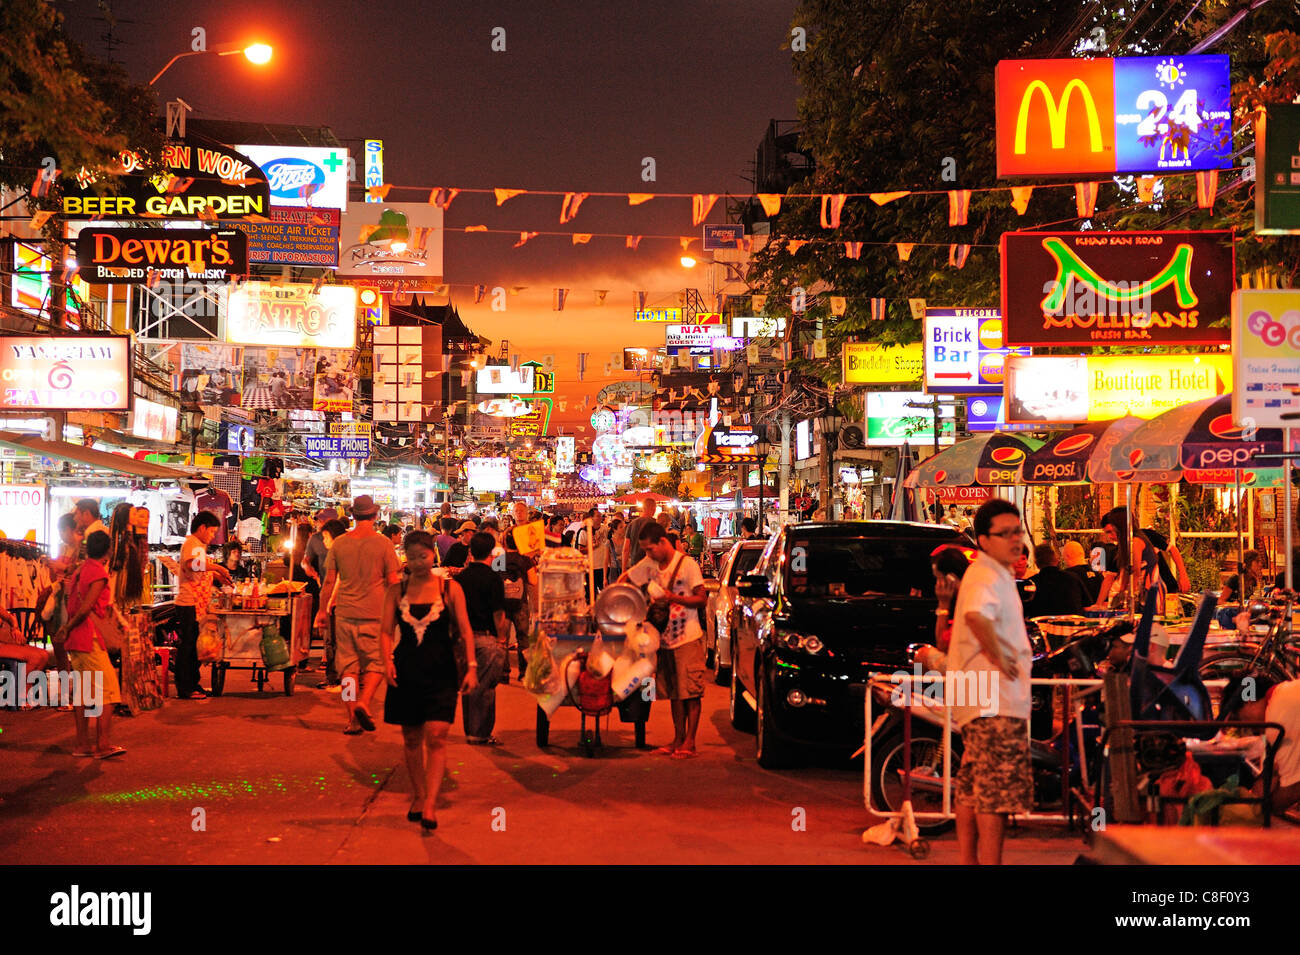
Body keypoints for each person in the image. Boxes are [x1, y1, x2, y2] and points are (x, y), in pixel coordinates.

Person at [946, 498, 1034, 866]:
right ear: (983, 539)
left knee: (971, 788)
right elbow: (976, 617)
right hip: (993, 700)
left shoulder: (995, 572)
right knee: (994, 796)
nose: (1015, 540)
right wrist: (1000, 656)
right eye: (1005, 534)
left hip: (979, 697)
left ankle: (969, 860)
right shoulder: (986, 575)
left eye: (1018, 532)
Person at [380, 531, 478, 830]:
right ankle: (419, 795)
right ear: (405, 558)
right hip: (407, 669)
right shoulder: (396, 591)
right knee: (411, 737)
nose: (418, 562)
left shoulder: (451, 589)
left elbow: (465, 630)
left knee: (437, 736)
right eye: (411, 557)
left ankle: (431, 804)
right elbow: (385, 631)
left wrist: (472, 667)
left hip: (442, 670)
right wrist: (386, 661)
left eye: (423, 556)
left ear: (433, 554)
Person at [620, 522, 708, 758]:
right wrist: (615, 594)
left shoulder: (687, 564)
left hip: (688, 638)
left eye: (650, 549)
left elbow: (702, 598)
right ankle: (677, 738)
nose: (648, 554)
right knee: (673, 693)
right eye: (645, 551)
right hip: (664, 640)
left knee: (690, 692)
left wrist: (672, 598)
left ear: (662, 542)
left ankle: (690, 741)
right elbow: (628, 577)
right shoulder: (650, 564)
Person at [315, 496, 402, 734]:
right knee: (377, 664)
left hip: (344, 614)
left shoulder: (340, 543)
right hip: (375, 613)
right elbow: (394, 582)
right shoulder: (383, 544)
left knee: (348, 670)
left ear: (353, 515)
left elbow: (329, 581)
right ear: (375, 516)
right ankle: (364, 702)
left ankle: (352, 718)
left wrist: (322, 611)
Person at [58, 530, 123, 758]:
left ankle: (82, 744)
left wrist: (67, 627)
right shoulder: (97, 572)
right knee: (109, 691)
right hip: (88, 636)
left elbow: (73, 602)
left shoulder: (79, 571)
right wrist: (69, 626)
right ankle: (103, 744)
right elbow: (87, 607)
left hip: (75, 639)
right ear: (108, 550)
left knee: (84, 694)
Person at [1219, 673, 1300, 814]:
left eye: (1238, 718)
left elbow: (1292, 790)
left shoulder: (1277, 717)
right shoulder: (1282, 696)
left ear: (1248, 701)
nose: (1246, 727)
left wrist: (1255, 815)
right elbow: (1274, 770)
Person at [108, 503, 162, 714]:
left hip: (126, 601)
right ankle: (118, 696)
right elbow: (115, 572)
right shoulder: (120, 544)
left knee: (126, 653)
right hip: (117, 602)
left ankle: (125, 695)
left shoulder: (134, 542)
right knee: (118, 651)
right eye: (135, 515)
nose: (141, 519)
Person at [455, 532, 509, 744]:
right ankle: (480, 734)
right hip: (486, 639)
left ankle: (471, 730)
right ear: (491, 553)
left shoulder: (460, 578)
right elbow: (498, 614)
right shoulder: (493, 579)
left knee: (469, 686)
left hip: (462, 639)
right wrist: (502, 638)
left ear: (471, 552)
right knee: (485, 688)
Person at [172, 512, 232, 700]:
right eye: (212, 531)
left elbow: (200, 570)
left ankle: (193, 684)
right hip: (188, 602)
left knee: (193, 646)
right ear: (202, 527)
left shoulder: (199, 546)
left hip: (196, 603)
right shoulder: (192, 544)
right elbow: (192, 566)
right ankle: (186, 687)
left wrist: (218, 577)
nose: (213, 536)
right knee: (189, 647)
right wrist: (217, 568)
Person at [500, 532, 538, 677]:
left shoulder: (499, 560)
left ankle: (504, 673)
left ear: (505, 543)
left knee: (502, 638)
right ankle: (524, 672)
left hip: (503, 604)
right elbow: (533, 581)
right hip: (520, 603)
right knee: (523, 638)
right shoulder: (525, 560)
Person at [1024, 542, 1089, 619]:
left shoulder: (1031, 584)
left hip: (1042, 629)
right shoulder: (1073, 578)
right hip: (1072, 628)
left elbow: (1023, 612)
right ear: (1057, 560)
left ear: (1036, 563)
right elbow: (1087, 606)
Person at [1062, 540, 1104, 606]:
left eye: (1063, 557)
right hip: (1098, 614)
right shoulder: (1098, 575)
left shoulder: (1066, 576)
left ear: (1068, 556)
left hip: (1078, 615)